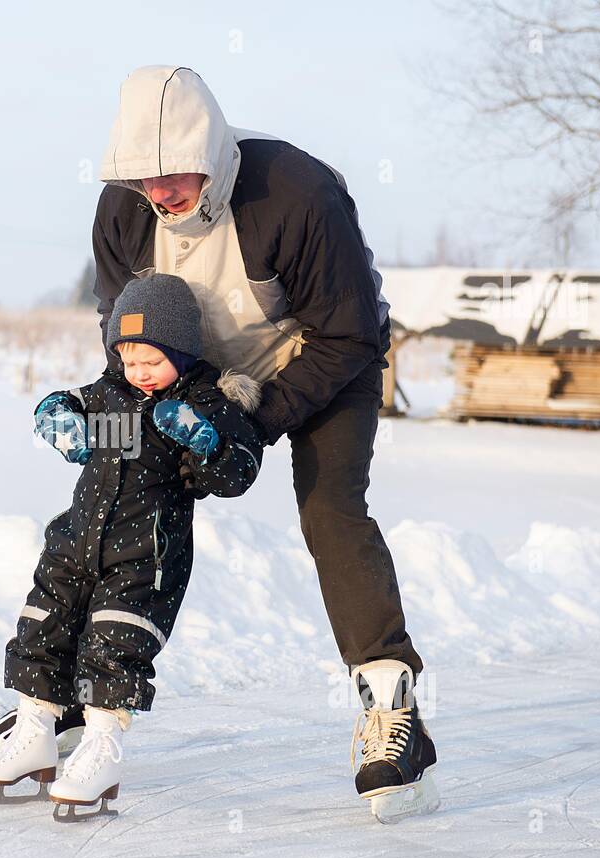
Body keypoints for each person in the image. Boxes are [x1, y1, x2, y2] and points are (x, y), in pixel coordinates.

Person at [90, 65, 438, 819]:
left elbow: (350, 334)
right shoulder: (122, 210)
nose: (161, 192)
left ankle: (391, 709)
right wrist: (122, 417)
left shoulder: (296, 193)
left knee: (330, 509)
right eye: (143, 175)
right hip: (201, 368)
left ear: (210, 151)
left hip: (321, 358)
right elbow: (121, 326)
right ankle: (71, 698)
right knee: (120, 489)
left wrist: (253, 418)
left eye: (175, 171)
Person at [0, 274, 264, 819]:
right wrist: (56, 412)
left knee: (114, 647)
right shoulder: (110, 393)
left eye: (151, 360)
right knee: (42, 631)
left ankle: (101, 747)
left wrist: (204, 440)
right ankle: (34, 731)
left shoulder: (205, 402)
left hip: (145, 556)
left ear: (181, 350)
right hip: (75, 543)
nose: (138, 372)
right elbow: (72, 401)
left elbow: (238, 473)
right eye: (128, 359)